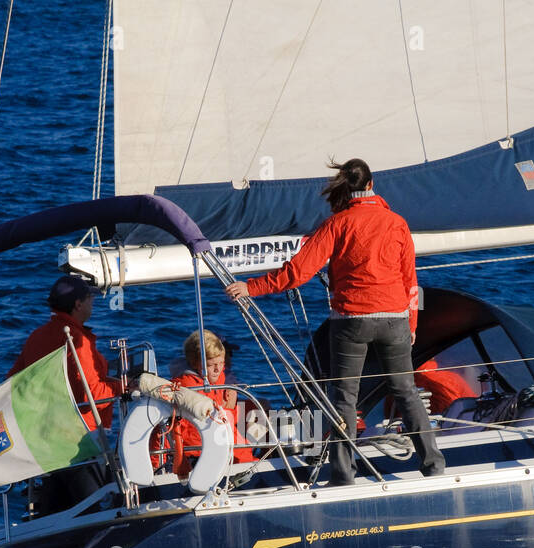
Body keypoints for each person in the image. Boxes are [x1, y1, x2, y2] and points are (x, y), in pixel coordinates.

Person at [225, 158, 445, 484]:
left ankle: (343, 476)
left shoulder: (337, 224)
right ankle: (433, 465)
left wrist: (251, 287)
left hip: (351, 322)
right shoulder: (397, 223)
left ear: (345, 188)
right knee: (406, 391)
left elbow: (298, 272)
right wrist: (411, 324)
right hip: (394, 320)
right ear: (371, 185)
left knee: (344, 398)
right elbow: (411, 282)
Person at [8, 275, 123, 430]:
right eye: (90, 297)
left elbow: (13, 384)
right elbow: (92, 396)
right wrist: (125, 387)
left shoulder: (37, 336)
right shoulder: (77, 340)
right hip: (79, 436)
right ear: (78, 304)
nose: (93, 301)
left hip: (42, 429)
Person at [154, 330, 255, 476]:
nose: (218, 369)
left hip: (220, 444)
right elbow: (191, 434)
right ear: (196, 363)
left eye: (221, 363)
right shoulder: (186, 387)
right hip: (198, 454)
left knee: (255, 412)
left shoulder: (218, 381)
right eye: (212, 364)